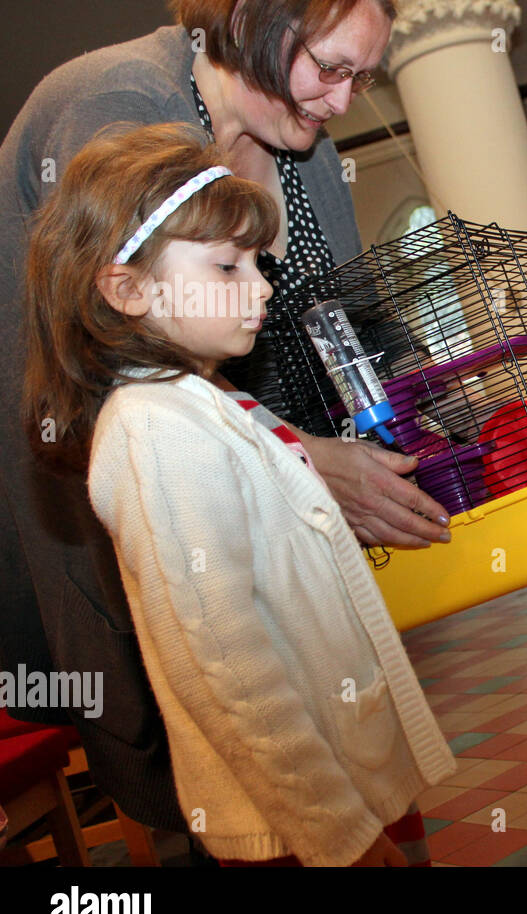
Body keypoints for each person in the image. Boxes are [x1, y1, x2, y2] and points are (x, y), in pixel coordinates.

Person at [0, 0, 448, 835]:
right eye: (330, 66)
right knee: (218, 738)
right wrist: (301, 456)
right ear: (251, 20)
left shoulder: (302, 136)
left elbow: (356, 312)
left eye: (363, 76)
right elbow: (117, 357)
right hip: (165, 483)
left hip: (260, 495)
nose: (344, 102)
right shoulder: (113, 102)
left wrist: (440, 409)